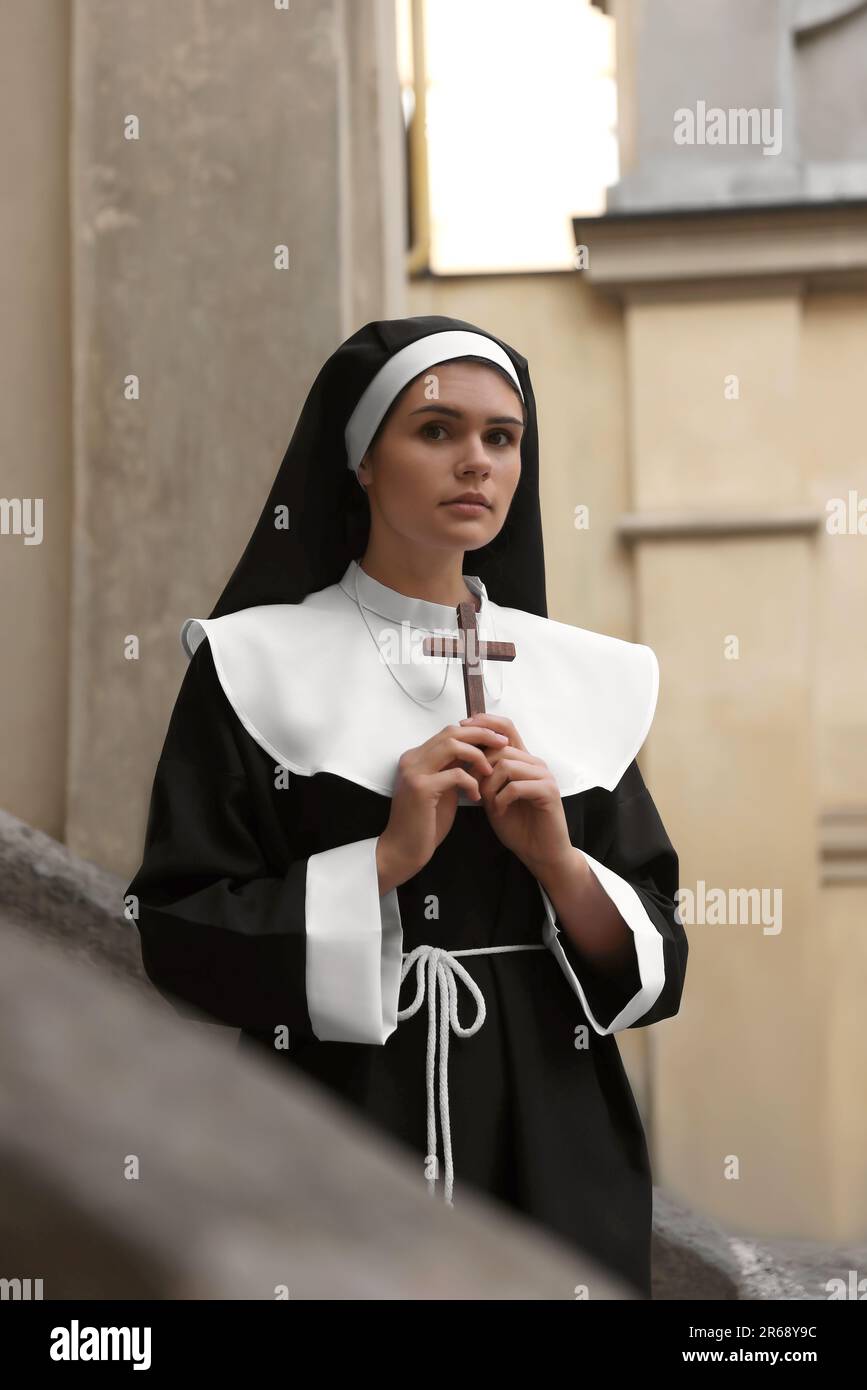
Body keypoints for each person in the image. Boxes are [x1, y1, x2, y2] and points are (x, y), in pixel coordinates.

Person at [125, 314, 688, 1299]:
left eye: (501, 437)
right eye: (437, 431)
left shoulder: (583, 677)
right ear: (362, 460)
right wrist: (381, 861)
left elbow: (658, 959)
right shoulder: (254, 664)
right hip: (334, 1119)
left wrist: (557, 860)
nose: (476, 461)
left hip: (553, 1133)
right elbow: (178, 935)